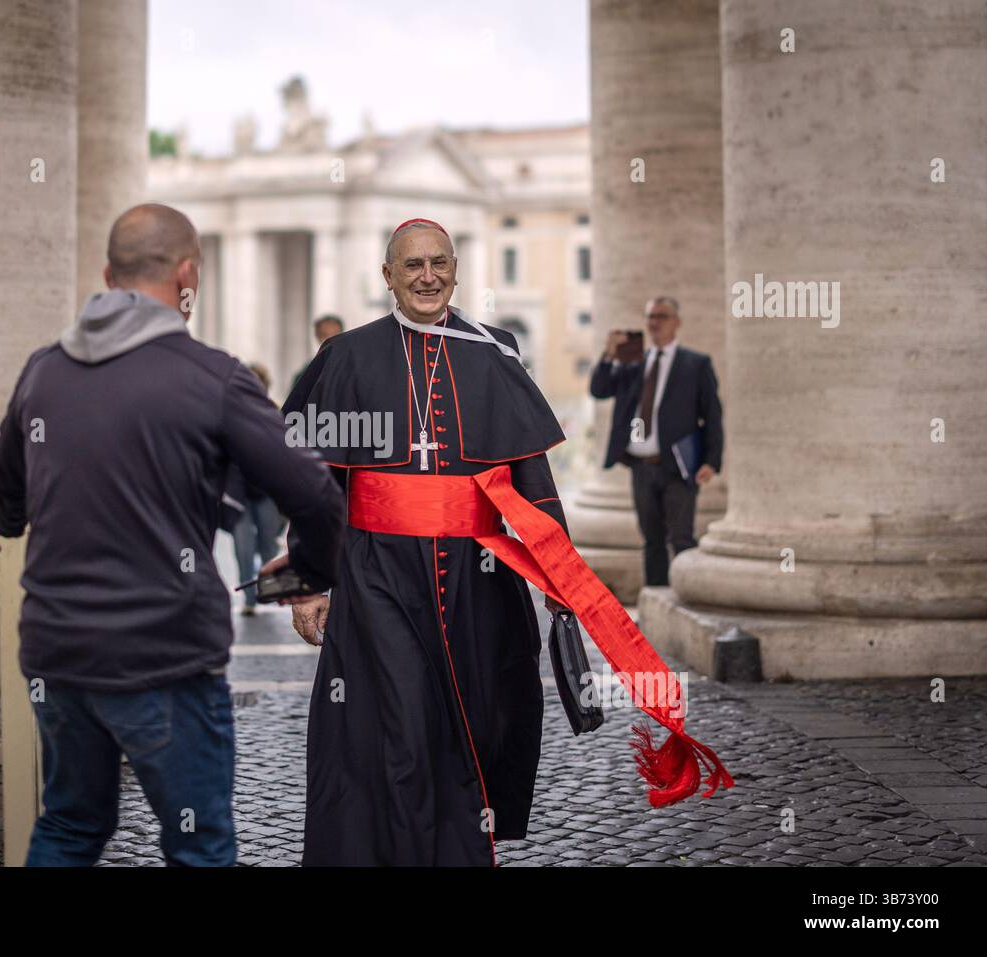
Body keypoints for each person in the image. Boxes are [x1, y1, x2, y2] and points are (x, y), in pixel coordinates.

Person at [277, 219, 733, 866]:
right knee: (399, 723)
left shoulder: (492, 350)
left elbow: (532, 480)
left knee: (474, 726)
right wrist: (305, 582)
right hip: (376, 575)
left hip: (476, 575)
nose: (428, 276)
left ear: (457, 270)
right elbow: (313, 481)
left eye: (439, 263)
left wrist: (562, 584)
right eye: (412, 266)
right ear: (388, 277)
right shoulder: (348, 356)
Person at [0, 203, 344, 867]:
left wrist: (8, 523)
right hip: (165, 653)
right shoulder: (213, 377)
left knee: (67, 824)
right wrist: (310, 572)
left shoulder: (41, 370)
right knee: (198, 842)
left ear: (106, 273)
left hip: (59, 652)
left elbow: (4, 491)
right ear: (187, 276)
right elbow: (317, 494)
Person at [589, 297, 724, 587]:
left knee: (681, 537)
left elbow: (712, 414)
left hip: (678, 466)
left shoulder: (696, 364)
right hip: (641, 466)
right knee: (651, 539)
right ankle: (655, 602)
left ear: (677, 322)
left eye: (662, 316)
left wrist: (712, 461)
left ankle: (688, 597)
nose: (654, 322)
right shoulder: (634, 363)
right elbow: (599, 390)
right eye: (650, 316)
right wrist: (608, 354)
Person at [231, 364, 285, 616]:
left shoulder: (274, 411)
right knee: (243, 546)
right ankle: (249, 598)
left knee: (267, 545)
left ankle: (267, 589)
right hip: (238, 491)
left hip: (268, 489)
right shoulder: (228, 409)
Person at [290, 314, 344, 392]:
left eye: (335, 335)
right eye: (324, 335)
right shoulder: (307, 372)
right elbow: (306, 401)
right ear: (317, 336)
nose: (329, 340)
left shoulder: (351, 368)